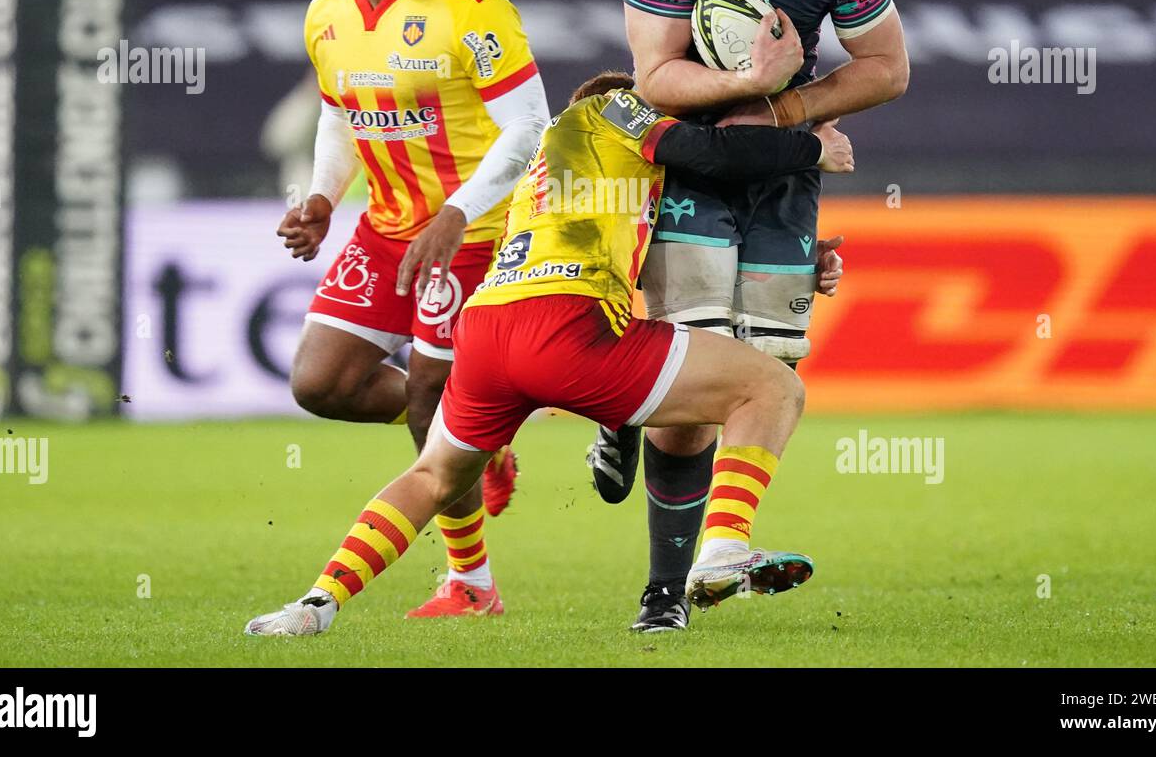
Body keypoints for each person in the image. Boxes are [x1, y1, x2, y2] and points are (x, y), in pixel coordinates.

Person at [245, 71, 855, 636]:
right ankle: (722, 545)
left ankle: (315, 604)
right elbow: (712, 153)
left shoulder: (557, 165)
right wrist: (811, 150)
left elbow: (668, 242)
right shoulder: (613, 109)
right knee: (771, 387)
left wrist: (802, 258)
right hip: (567, 326)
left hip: (486, 330)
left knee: (432, 476)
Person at [602, 0, 910, 631]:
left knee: (769, 374)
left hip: (782, 171)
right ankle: (666, 594)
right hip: (692, 168)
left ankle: (713, 537)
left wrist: (781, 108)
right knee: (700, 385)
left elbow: (887, 66)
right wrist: (746, 83)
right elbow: (655, 79)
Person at [275, 0, 550, 617]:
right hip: (386, 228)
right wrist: (324, 199)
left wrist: (458, 210)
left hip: (474, 232)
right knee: (320, 384)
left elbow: (531, 125)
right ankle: (480, 439)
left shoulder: (471, 4)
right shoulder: (326, 14)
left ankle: (471, 584)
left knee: (431, 406)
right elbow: (339, 116)